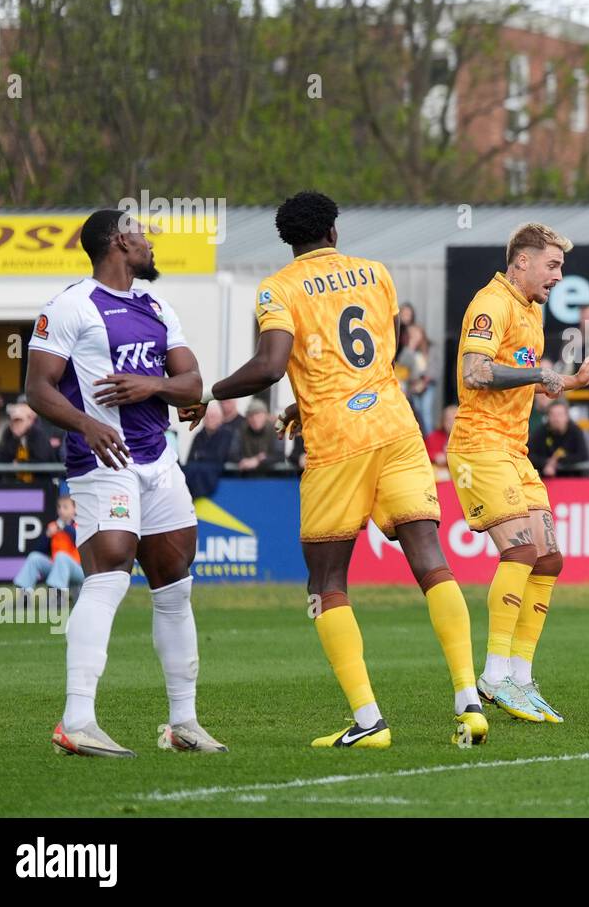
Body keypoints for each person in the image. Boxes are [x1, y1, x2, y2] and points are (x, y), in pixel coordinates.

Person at [181, 190, 485, 749]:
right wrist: (308, 399)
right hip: (397, 425)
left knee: (326, 583)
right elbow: (372, 356)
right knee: (429, 560)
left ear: (287, 240)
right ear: (334, 231)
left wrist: (209, 392)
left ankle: (369, 722)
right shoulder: (376, 273)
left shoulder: (279, 287)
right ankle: (468, 698)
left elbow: (271, 366)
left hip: (339, 443)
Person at [26, 208, 220, 757]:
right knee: (109, 568)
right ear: (117, 241)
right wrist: (87, 424)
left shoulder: (158, 306)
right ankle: (76, 719)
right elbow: (38, 389)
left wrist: (150, 386)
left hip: (160, 462)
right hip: (103, 460)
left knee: (174, 578)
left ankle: (183, 722)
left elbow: (192, 383)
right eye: (141, 233)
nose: (150, 241)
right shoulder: (70, 305)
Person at [445, 221, 589, 725]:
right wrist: (541, 373)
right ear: (521, 262)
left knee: (550, 559)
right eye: (553, 265)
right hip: (479, 447)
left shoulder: (531, 311)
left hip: (514, 450)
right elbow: (474, 373)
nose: (559, 276)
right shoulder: (490, 303)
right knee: (520, 550)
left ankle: (520, 675)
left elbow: (512, 378)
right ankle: (493, 675)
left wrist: (569, 381)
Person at [13, 494, 84, 593]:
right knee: (34, 557)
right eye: (59, 507)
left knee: (61, 556)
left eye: (65, 507)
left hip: (78, 569)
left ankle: (56, 600)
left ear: (75, 509)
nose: (61, 510)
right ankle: (24, 596)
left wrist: (64, 527)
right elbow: (39, 550)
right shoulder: (53, 526)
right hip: (57, 569)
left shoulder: (80, 525)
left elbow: (78, 540)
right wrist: (47, 536)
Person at [183, 401, 233, 498]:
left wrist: (201, 455)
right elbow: (191, 458)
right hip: (195, 474)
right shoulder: (199, 436)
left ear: (220, 418)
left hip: (216, 476)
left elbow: (220, 456)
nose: (210, 419)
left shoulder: (226, 434)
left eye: (213, 416)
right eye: (207, 416)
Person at [528, 400, 589, 476]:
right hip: (545, 479)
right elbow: (530, 455)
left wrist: (558, 461)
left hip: (572, 478)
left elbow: (583, 455)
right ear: (548, 417)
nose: (556, 419)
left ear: (567, 416)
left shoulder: (575, 431)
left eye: (560, 415)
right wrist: (546, 462)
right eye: (553, 415)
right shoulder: (541, 432)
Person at [226, 398, 283, 474]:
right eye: (251, 416)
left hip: (271, 477)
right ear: (247, 418)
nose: (255, 419)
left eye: (258, 415)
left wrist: (259, 461)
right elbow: (232, 454)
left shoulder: (276, 430)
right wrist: (245, 461)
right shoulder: (240, 430)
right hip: (246, 477)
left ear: (265, 416)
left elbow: (280, 455)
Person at [397, 322, 436, 433]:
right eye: (411, 334)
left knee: (426, 412)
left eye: (416, 333)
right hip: (412, 386)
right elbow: (403, 364)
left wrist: (424, 382)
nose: (414, 336)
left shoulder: (430, 349)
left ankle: (429, 440)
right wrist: (410, 347)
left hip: (427, 385)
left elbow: (434, 368)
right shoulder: (407, 350)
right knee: (416, 412)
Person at [0, 400, 59, 466]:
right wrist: (15, 439)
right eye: (13, 421)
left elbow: (41, 460)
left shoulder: (38, 434)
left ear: (29, 421)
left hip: (39, 475)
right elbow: (1, 456)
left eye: (20, 420)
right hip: (15, 475)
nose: (16, 424)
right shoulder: (8, 433)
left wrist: (20, 464)